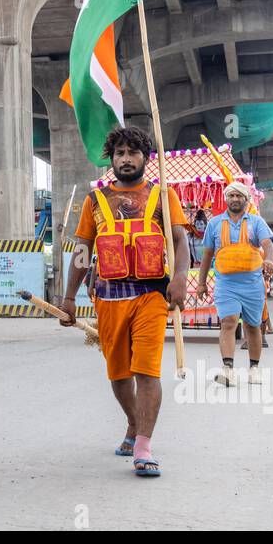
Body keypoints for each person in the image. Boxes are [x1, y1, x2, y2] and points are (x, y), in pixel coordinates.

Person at [60, 126, 189, 477]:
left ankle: (144, 448)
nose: (126, 158)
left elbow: (179, 241)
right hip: (108, 296)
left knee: (146, 370)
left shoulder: (163, 196)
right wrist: (68, 296)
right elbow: (83, 249)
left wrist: (179, 279)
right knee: (118, 375)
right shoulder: (95, 200)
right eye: (120, 153)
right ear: (112, 159)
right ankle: (134, 423)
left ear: (145, 158)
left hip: (151, 294)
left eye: (133, 152)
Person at [195, 182, 273, 386]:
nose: (235, 199)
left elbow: (268, 245)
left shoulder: (257, 222)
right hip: (226, 284)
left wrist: (269, 259)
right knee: (229, 321)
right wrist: (201, 283)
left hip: (252, 284)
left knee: (252, 326)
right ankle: (228, 369)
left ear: (246, 200)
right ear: (226, 199)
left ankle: (254, 368)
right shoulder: (214, 223)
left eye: (239, 196)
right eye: (231, 196)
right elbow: (207, 255)